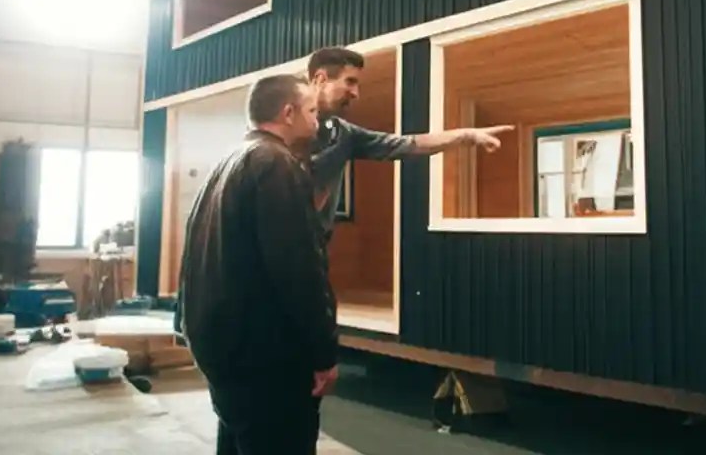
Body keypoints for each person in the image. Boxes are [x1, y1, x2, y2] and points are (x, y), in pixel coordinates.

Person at [176, 74, 337, 454]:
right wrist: (323, 352)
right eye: (312, 111)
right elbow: (298, 270)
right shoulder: (276, 166)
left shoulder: (226, 163)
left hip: (226, 354)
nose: (318, 122)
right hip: (268, 361)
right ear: (288, 112)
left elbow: (193, 258)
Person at [304, 46, 513, 221]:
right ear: (321, 79)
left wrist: (467, 136)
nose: (355, 93)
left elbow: (409, 144)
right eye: (349, 81)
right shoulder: (277, 123)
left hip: (312, 256)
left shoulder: (343, 134)